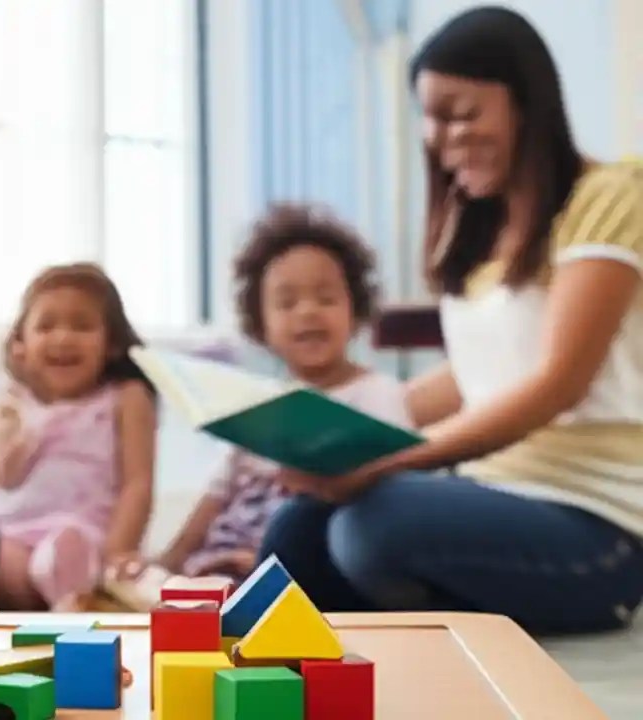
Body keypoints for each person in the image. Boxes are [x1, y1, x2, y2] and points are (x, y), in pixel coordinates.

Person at [259, 5, 643, 635]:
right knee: (296, 528)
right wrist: (334, 434)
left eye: (462, 113)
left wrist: (388, 463)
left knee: (375, 523)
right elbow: (476, 377)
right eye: (432, 120)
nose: (443, 138)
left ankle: (438, 643)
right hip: (494, 496)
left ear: (527, 102)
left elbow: (556, 382)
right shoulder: (481, 227)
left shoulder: (607, 197)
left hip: (598, 529)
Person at [156, 205, 411, 584]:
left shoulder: (378, 394)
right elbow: (215, 497)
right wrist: (166, 562)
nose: (308, 312)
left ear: (355, 310)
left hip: (303, 556)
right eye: (286, 303)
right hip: (221, 558)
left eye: (326, 298)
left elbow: (393, 494)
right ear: (261, 324)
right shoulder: (258, 404)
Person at [0, 263, 156, 611]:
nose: (63, 338)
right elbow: (2, 476)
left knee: (65, 551)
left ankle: (77, 603)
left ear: (111, 343)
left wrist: (118, 552)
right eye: (46, 326)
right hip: (15, 535)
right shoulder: (14, 400)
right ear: (21, 344)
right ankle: (58, 606)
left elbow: (137, 484)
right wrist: (22, 429)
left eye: (82, 325)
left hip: (86, 536)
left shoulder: (125, 397)